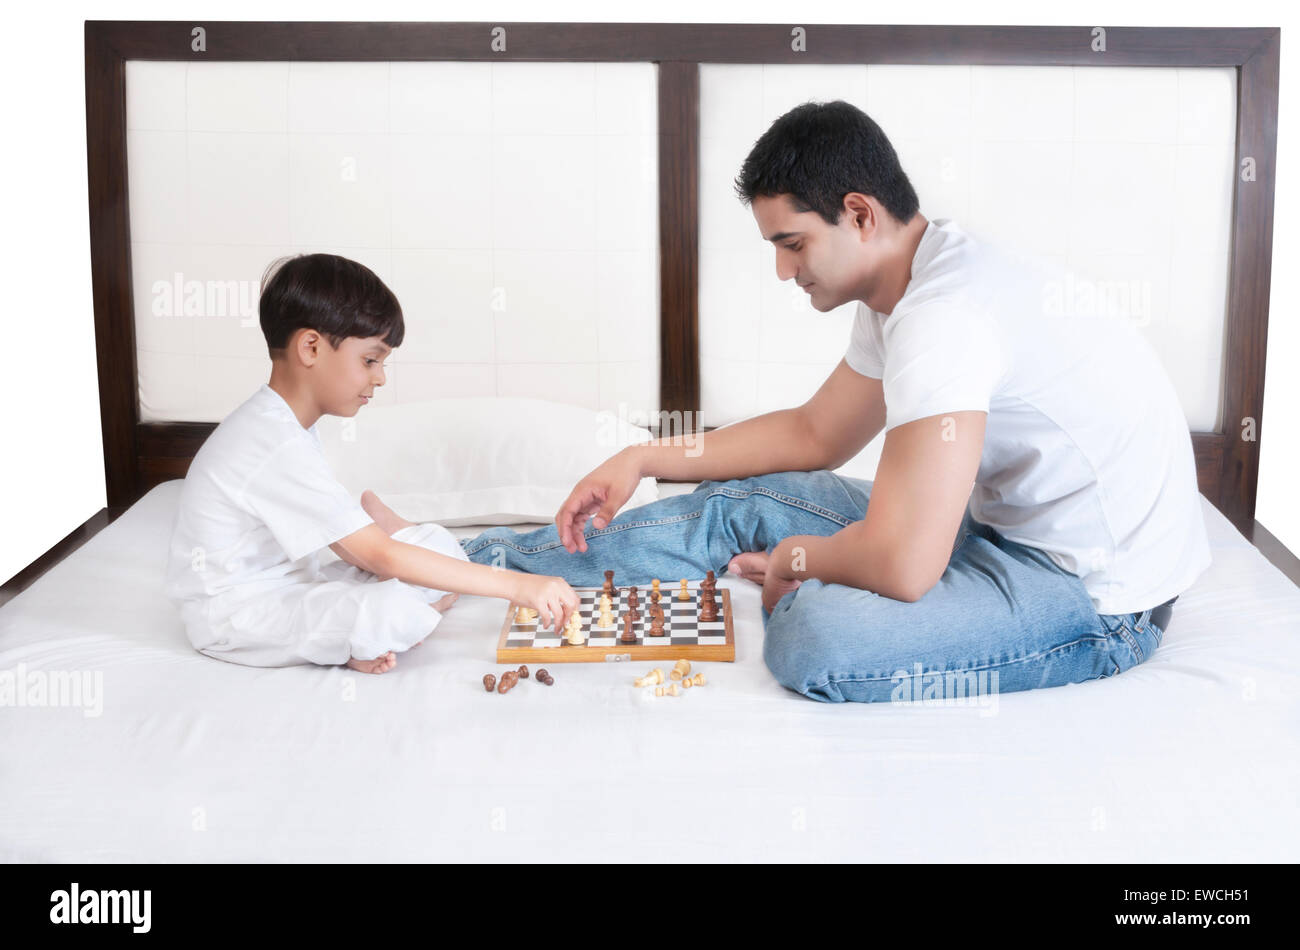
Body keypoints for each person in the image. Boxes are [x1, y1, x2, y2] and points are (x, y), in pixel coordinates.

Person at [458, 100, 1210, 704]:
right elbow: (817, 432)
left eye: (793, 244)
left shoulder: (946, 316)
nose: (785, 272)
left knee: (815, 635)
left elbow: (907, 564)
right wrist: (644, 453)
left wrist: (797, 558)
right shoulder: (907, 284)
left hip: (1098, 598)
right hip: (990, 532)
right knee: (734, 500)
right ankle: (464, 560)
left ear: (859, 213)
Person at [165, 253, 578, 674]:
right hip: (236, 615)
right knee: (392, 608)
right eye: (370, 360)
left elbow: (365, 555)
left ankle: (384, 600)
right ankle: (367, 632)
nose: (380, 378)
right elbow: (379, 557)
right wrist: (519, 586)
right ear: (310, 347)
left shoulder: (283, 424)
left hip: (295, 585)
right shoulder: (269, 441)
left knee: (440, 549)